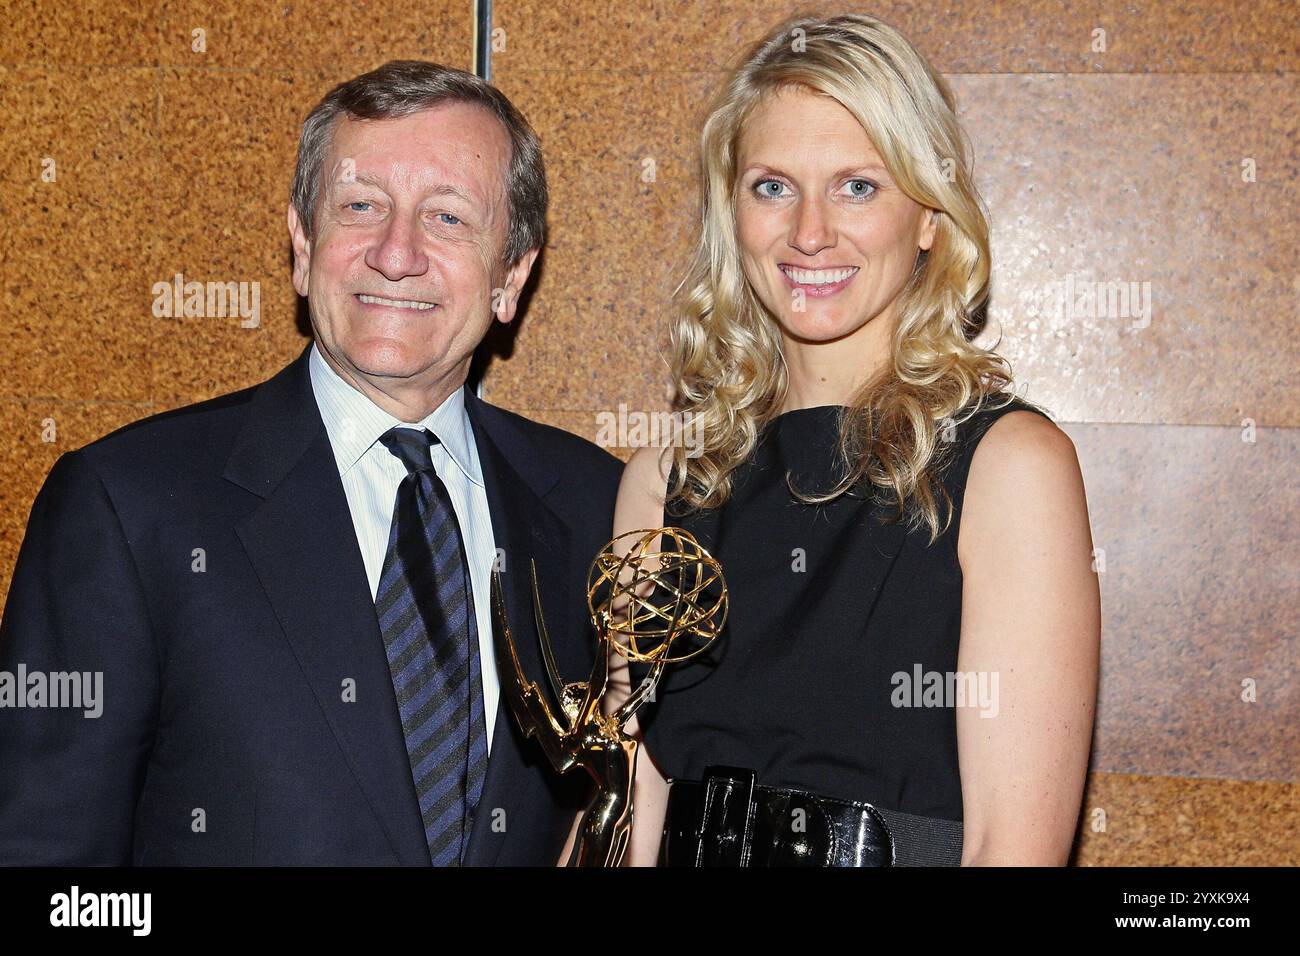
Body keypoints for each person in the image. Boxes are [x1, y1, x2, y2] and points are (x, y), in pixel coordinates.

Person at [0, 60, 621, 866]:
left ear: (512, 275)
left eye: (447, 218)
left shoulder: (595, 511)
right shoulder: (129, 506)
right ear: (302, 243)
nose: (396, 254)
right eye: (361, 206)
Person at [596, 14, 1101, 866]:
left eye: (858, 186)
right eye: (772, 187)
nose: (810, 232)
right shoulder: (663, 483)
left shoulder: (1008, 469)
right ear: (733, 216)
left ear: (931, 217)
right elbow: (632, 813)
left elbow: (1012, 849)